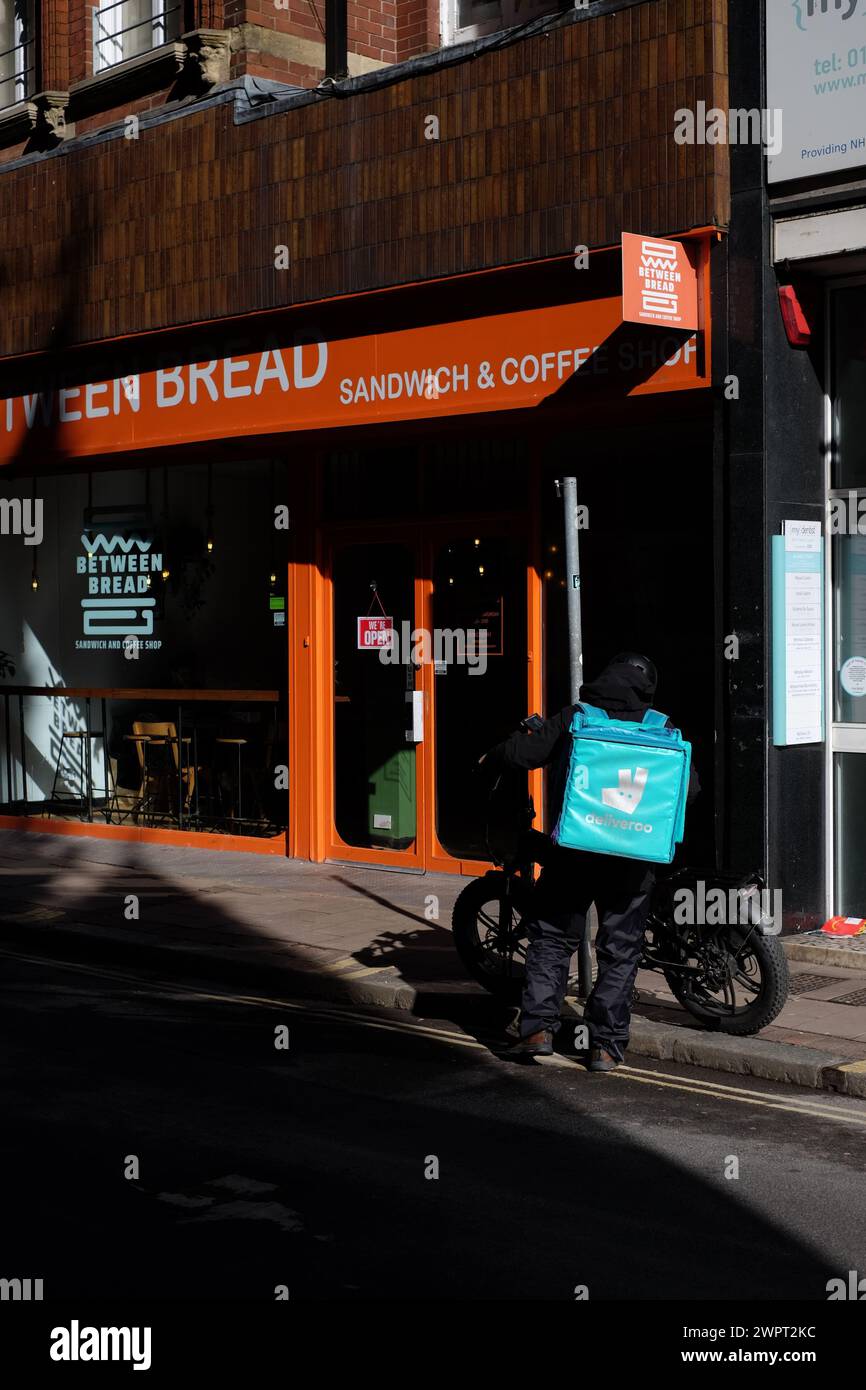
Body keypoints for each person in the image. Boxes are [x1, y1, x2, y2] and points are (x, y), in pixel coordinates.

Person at [479, 653, 699, 1072]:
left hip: (576, 851)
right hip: (635, 857)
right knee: (620, 951)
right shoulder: (663, 727)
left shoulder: (577, 717)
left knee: (552, 938)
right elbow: (688, 791)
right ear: (648, 688)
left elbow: (523, 755)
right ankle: (605, 1047)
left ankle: (538, 1031)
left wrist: (501, 750)